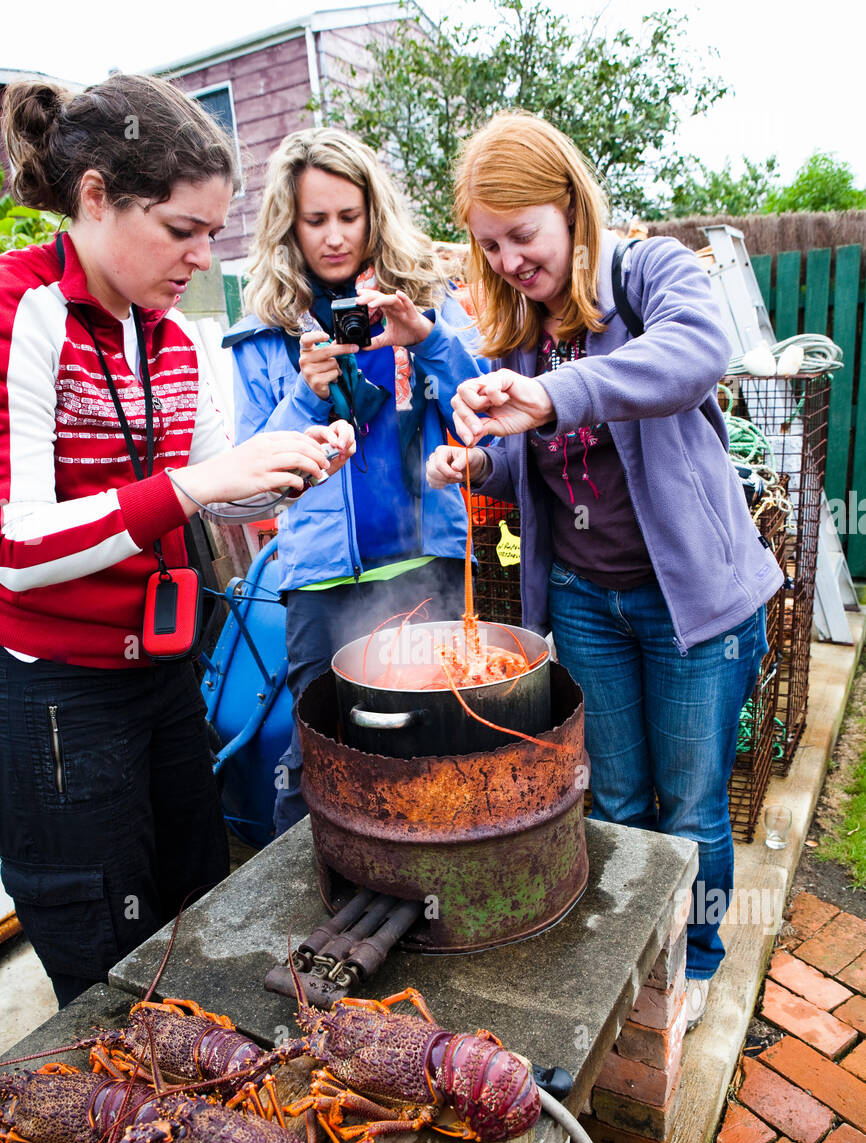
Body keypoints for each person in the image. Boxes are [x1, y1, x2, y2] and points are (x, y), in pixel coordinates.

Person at [0, 75, 354, 1006]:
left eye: (212, 231)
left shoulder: (181, 340)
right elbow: (18, 547)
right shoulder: (21, 314)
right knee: (103, 945)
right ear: (92, 196)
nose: (204, 254)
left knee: (194, 905)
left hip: (164, 673)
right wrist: (199, 483)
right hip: (58, 695)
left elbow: (215, 499)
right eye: (180, 229)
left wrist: (287, 465)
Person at [427, 112, 784, 1028]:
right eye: (489, 243)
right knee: (618, 800)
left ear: (572, 206)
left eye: (524, 233)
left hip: (686, 607)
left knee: (694, 805)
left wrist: (552, 392)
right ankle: (639, 947)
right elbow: (533, 466)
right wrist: (478, 463)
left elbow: (693, 361)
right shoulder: (517, 331)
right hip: (584, 602)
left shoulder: (652, 273)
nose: (507, 260)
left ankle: (700, 953)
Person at [227, 127, 484, 835]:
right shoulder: (263, 334)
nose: (336, 237)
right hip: (322, 582)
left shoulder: (427, 298)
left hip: (427, 563)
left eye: (350, 215)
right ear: (290, 225)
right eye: (316, 220)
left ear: (374, 213)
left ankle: (426, 894)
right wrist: (306, 396)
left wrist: (427, 338)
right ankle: (301, 910)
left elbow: (482, 417)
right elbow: (253, 480)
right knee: (321, 760)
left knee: (432, 746)